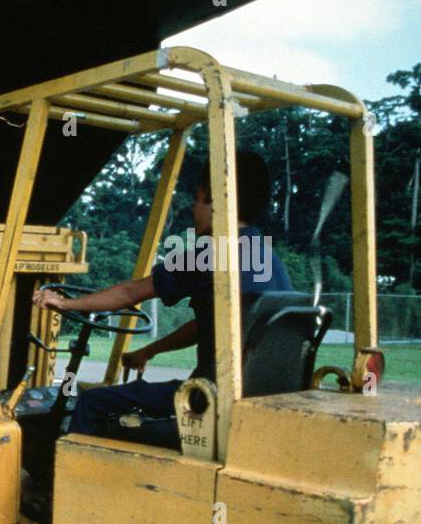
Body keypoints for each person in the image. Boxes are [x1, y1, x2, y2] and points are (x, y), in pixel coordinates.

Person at [33, 150, 291, 439]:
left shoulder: (209, 255)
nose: (194, 210)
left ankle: (67, 484)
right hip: (250, 400)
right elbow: (209, 327)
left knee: (93, 403)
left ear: (213, 198)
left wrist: (65, 302)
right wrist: (149, 351)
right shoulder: (267, 256)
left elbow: (131, 291)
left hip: (209, 399)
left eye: (196, 200)